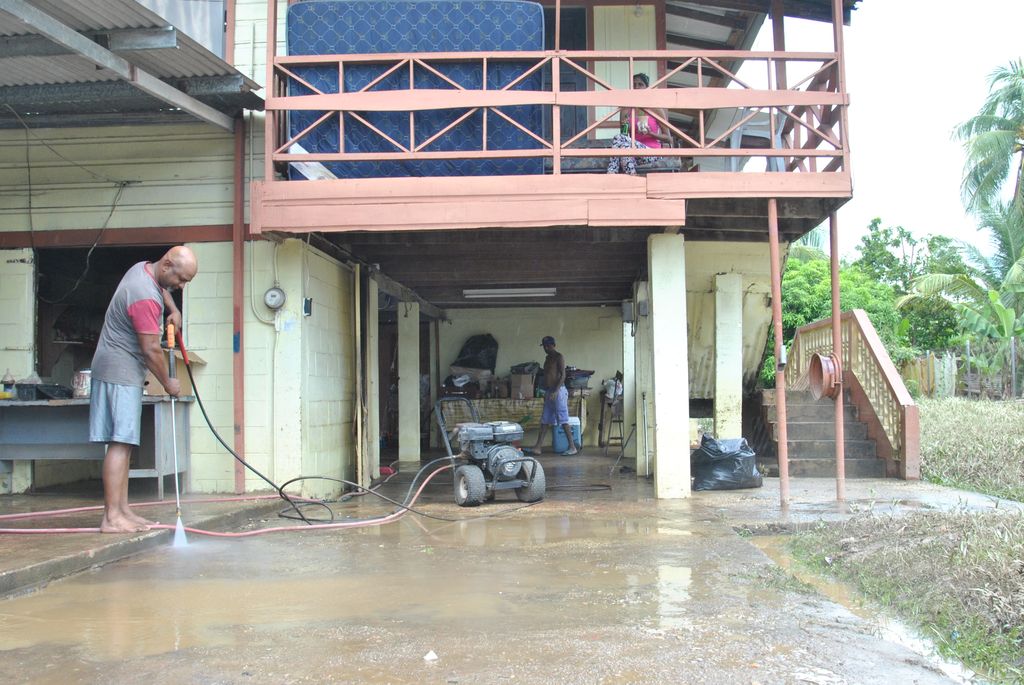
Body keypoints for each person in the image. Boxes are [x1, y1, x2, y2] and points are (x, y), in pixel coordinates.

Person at [89, 246, 198, 533]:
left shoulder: (143, 269)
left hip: (118, 368)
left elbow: (161, 290)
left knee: (125, 443)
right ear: (167, 266)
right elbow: (151, 349)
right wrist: (169, 383)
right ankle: (111, 518)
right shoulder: (144, 297)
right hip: (119, 371)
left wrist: (173, 308)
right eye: (181, 279)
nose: (181, 286)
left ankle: (123, 510)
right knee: (120, 442)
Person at [607, 73, 672, 175]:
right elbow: (623, 136)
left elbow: (669, 138)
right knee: (624, 149)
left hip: (652, 152)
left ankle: (611, 173)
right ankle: (634, 179)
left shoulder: (655, 108)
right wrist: (626, 126)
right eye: (634, 85)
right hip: (634, 153)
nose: (636, 87)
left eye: (640, 84)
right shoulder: (625, 109)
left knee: (618, 139)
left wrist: (651, 133)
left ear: (647, 88)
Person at [525, 336, 579, 456]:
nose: (545, 348)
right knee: (545, 420)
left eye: (546, 346)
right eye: (544, 346)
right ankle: (538, 447)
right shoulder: (548, 358)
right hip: (550, 391)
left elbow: (562, 375)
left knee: (563, 419)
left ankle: (572, 447)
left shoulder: (559, 357)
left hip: (558, 392)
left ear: (551, 345)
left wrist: (556, 390)